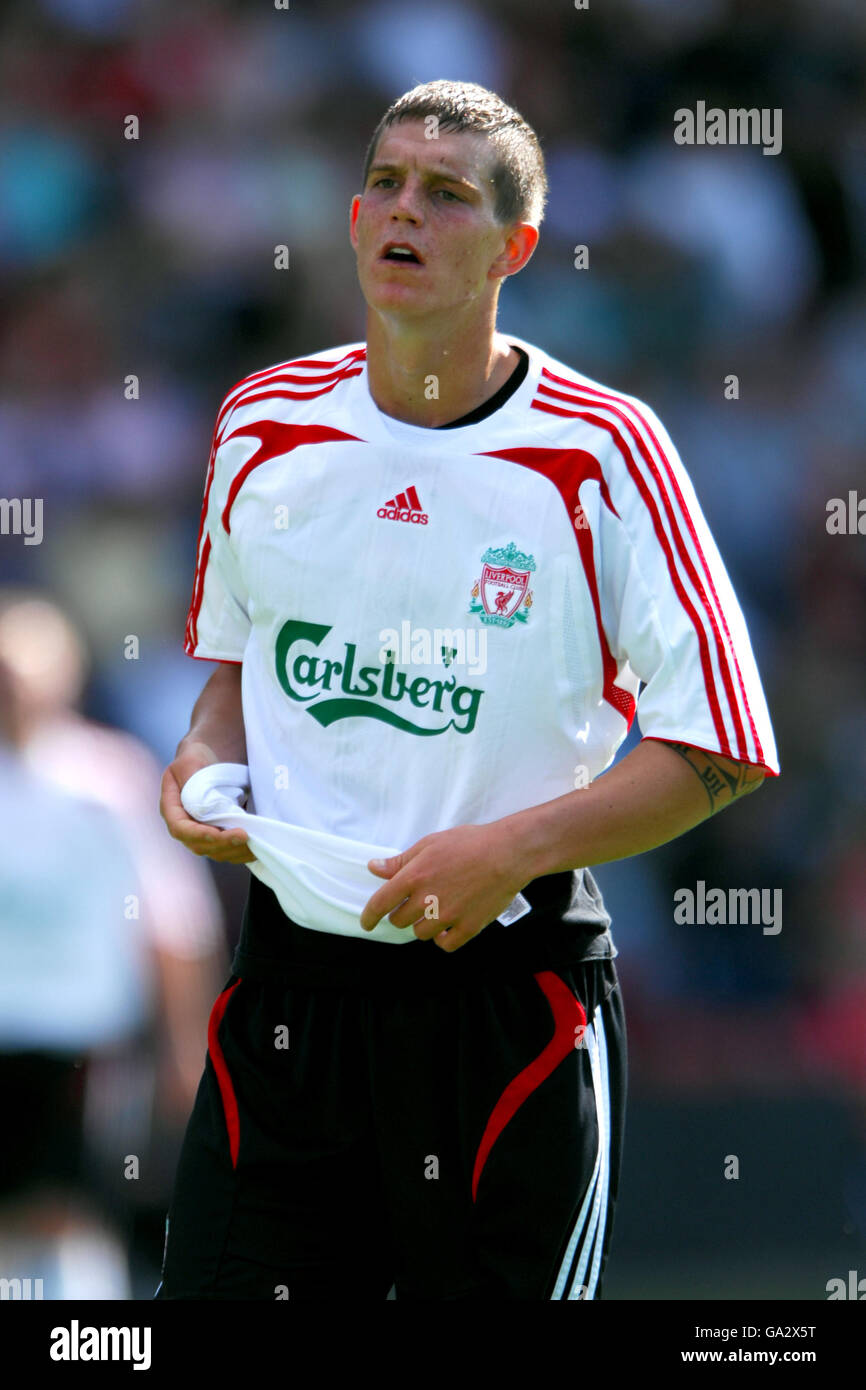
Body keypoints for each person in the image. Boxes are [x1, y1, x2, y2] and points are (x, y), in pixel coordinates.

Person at [155, 80, 778, 1301]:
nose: (405, 210)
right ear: (347, 217)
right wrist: (193, 768)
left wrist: (504, 851)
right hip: (290, 995)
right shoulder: (261, 423)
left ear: (514, 247)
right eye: (385, 184)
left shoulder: (602, 451)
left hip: (505, 1004)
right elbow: (232, 671)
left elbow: (723, 745)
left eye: (445, 195)